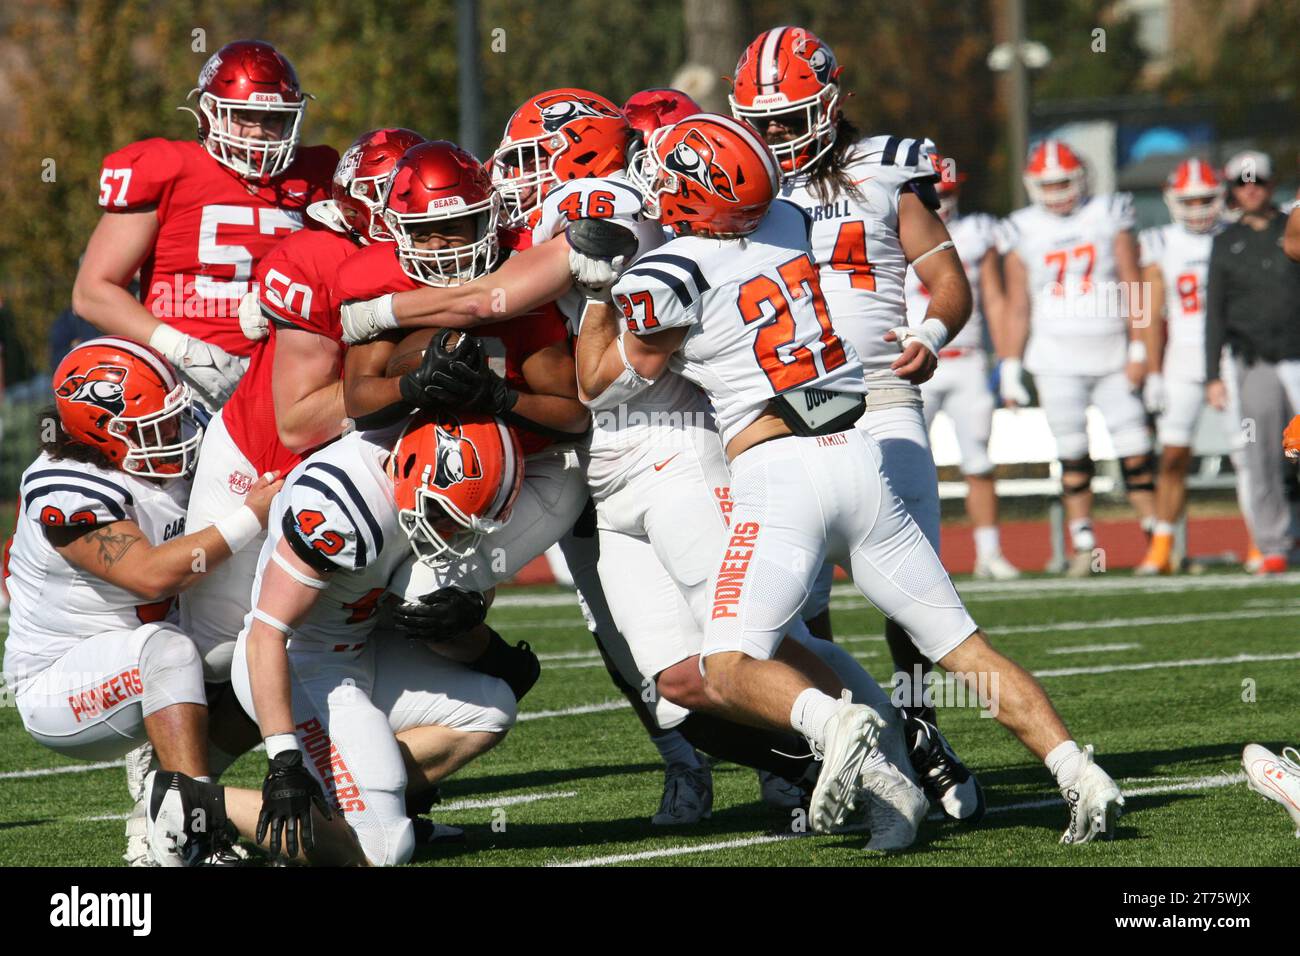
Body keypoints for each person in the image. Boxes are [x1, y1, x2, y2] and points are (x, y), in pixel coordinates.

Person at [582, 112, 1125, 847]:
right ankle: (1078, 771)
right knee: (964, 648)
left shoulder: (667, 274)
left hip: (779, 476)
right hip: (858, 452)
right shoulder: (786, 220)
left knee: (729, 663)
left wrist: (595, 288)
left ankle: (835, 719)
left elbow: (596, 383)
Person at [728, 26, 983, 822]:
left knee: (914, 593)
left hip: (878, 391)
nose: (771, 135)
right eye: (760, 121)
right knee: (800, 595)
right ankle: (839, 753)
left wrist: (929, 335)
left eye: (786, 118)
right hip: (787, 407)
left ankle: (921, 727)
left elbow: (948, 282)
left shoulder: (888, 168)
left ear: (828, 104)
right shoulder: (738, 186)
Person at [143, 411, 526, 867]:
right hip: (301, 668)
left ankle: (346, 810)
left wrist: (479, 625)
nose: (453, 534)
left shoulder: (429, 488)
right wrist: (283, 762)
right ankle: (192, 801)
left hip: (359, 651)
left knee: (491, 708)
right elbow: (267, 632)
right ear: (407, 469)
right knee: (384, 851)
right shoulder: (342, 509)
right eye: (446, 517)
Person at [2, 337, 280, 863]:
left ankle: (161, 809)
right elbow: (150, 578)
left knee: (261, 650)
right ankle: (199, 831)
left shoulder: (171, 439)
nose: (173, 436)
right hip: (60, 683)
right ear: (101, 434)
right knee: (165, 650)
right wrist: (251, 516)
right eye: (154, 428)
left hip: (148, 651)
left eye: (171, 420)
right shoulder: (67, 487)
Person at [71, 40, 337, 414]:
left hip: (288, 385)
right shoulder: (169, 169)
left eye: (272, 119)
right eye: (244, 116)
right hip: (181, 386)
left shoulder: (316, 177)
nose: (259, 133)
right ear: (209, 113)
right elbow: (91, 292)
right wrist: (183, 351)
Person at [998, 138, 1155, 576]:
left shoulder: (1106, 214)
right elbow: (1017, 303)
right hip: (1054, 357)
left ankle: (1158, 539)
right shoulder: (1022, 227)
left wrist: (1140, 346)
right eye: (1048, 184)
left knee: (1136, 447)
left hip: (1112, 353)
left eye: (1065, 182)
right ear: (1033, 186)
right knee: (1072, 452)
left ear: (1081, 178)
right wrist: (1010, 365)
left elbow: (1133, 282)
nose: (1058, 192)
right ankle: (1084, 543)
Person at [904, 147, 1020, 580]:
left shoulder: (976, 232)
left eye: (948, 190)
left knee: (979, 461)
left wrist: (1007, 361)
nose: (943, 199)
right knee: (908, 466)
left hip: (966, 358)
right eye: (936, 190)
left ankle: (988, 551)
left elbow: (994, 297)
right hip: (914, 359)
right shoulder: (894, 225)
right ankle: (915, 560)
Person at [1203, 150, 1300, 574]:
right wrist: (1211, 374)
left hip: (1298, 354)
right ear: (1232, 190)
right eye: (1243, 183)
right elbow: (1215, 312)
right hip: (1254, 360)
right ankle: (1274, 542)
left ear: (1271, 183)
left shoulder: (1292, 228)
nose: (1251, 188)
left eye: (1257, 180)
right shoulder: (1225, 241)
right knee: (1261, 453)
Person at [1135, 158, 1226, 575]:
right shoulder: (1160, 242)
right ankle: (1163, 546)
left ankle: (1265, 543)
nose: (1197, 207)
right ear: (1173, 201)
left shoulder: (1233, 236)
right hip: (1182, 358)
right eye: (1189, 200)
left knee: (1250, 455)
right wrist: (1151, 369)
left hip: (1231, 356)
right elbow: (1148, 312)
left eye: (1205, 198)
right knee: (1172, 455)